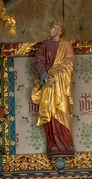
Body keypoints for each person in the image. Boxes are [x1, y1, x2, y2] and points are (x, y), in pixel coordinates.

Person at [31, 20, 75, 155]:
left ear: (60, 31)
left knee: (62, 112)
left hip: (61, 85)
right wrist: (45, 77)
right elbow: (38, 61)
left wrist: (56, 77)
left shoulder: (66, 45)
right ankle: (53, 144)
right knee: (50, 112)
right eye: (51, 28)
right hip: (48, 83)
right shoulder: (44, 45)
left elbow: (69, 63)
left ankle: (66, 143)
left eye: (55, 28)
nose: (51, 31)